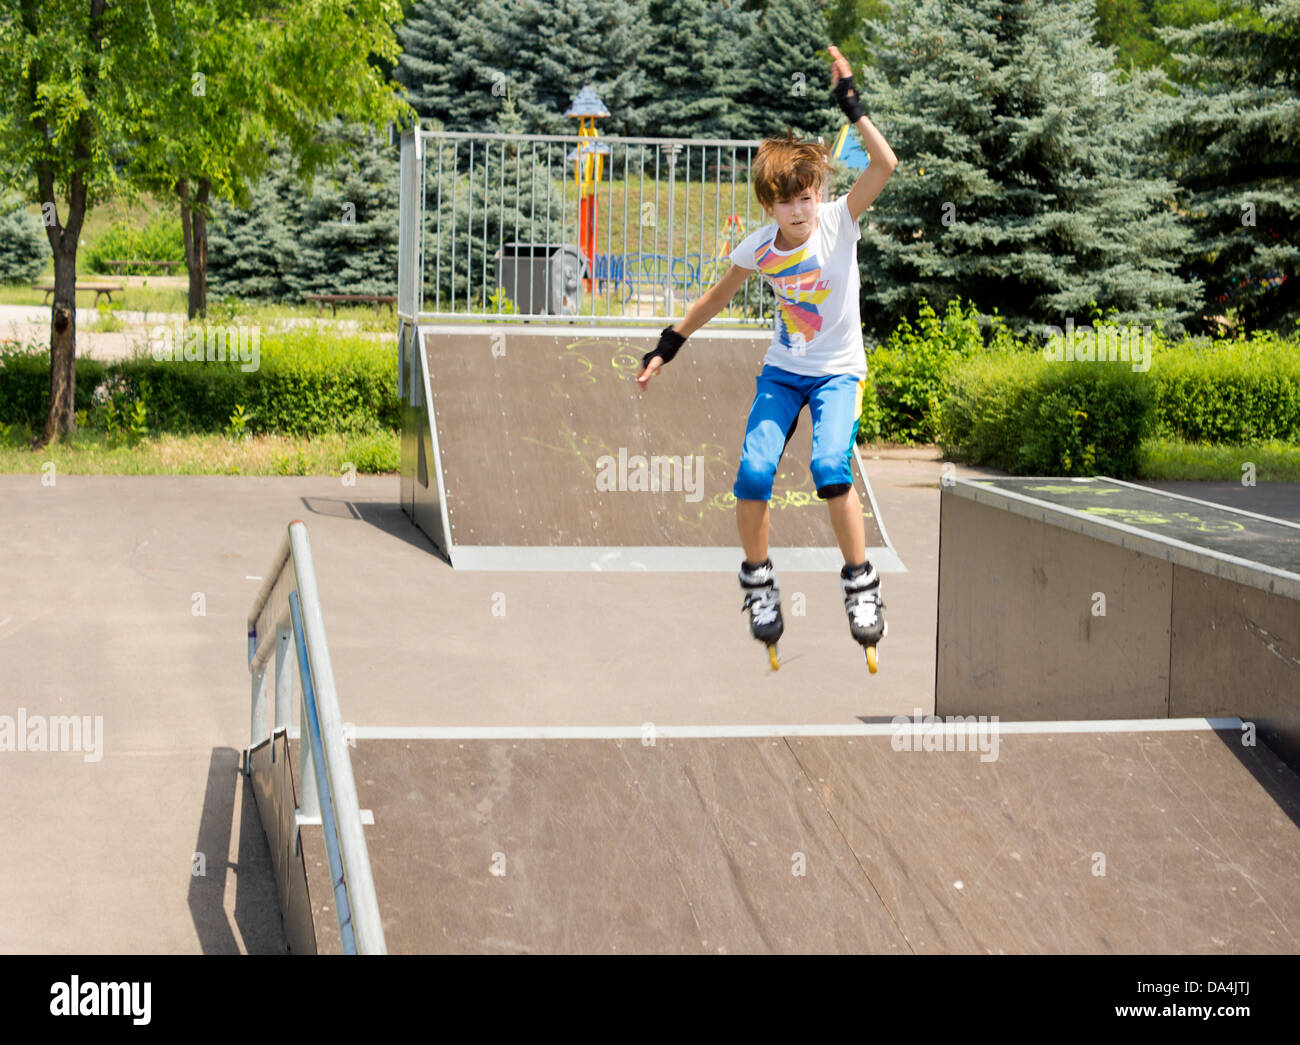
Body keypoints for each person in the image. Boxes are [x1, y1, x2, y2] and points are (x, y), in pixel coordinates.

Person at [636, 44, 897, 663]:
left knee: (831, 469)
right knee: (753, 475)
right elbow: (713, 297)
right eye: (787, 203)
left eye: (806, 198)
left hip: (837, 373)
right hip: (784, 372)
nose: (799, 212)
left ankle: (861, 583)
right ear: (769, 206)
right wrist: (666, 347)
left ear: (816, 193)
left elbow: (884, 164)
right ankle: (759, 582)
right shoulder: (760, 247)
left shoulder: (839, 221)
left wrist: (851, 104)